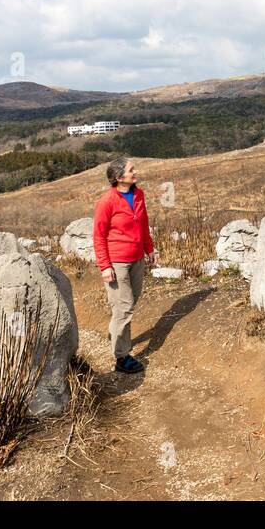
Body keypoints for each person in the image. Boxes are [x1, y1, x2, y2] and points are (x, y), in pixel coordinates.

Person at [93, 157, 154, 374]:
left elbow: (144, 224)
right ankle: (121, 357)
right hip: (116, 262)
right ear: (119, 177)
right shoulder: (107, 201)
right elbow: (99, 236)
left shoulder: (138, 194)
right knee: (124, 307)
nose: (135, 172)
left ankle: (116, 333)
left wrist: (149, 249)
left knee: (130, 302)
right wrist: (105, 266)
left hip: (136, 259)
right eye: (131, 170)